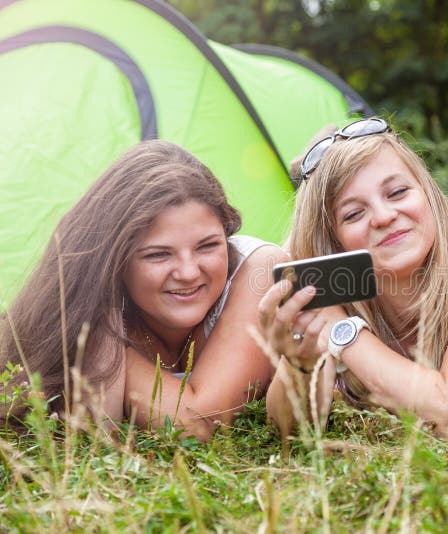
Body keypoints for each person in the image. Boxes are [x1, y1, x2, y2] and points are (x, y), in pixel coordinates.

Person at [260, 117, 448, 436]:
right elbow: (288, 429)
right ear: (333, 241)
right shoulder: (337, 300)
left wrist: (342, 331)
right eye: (353, 214)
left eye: (397, 192)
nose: (384, 216)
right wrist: (299, 363)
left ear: (427, 192)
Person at [0, 140, 286, 440]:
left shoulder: (259, 268)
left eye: (208, 246)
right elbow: (95, 451)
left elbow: (197, 423)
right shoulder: (96, 309)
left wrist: (115, 356)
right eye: (158, 255)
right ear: (115, 261)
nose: (188, 273)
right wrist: (99, 334)